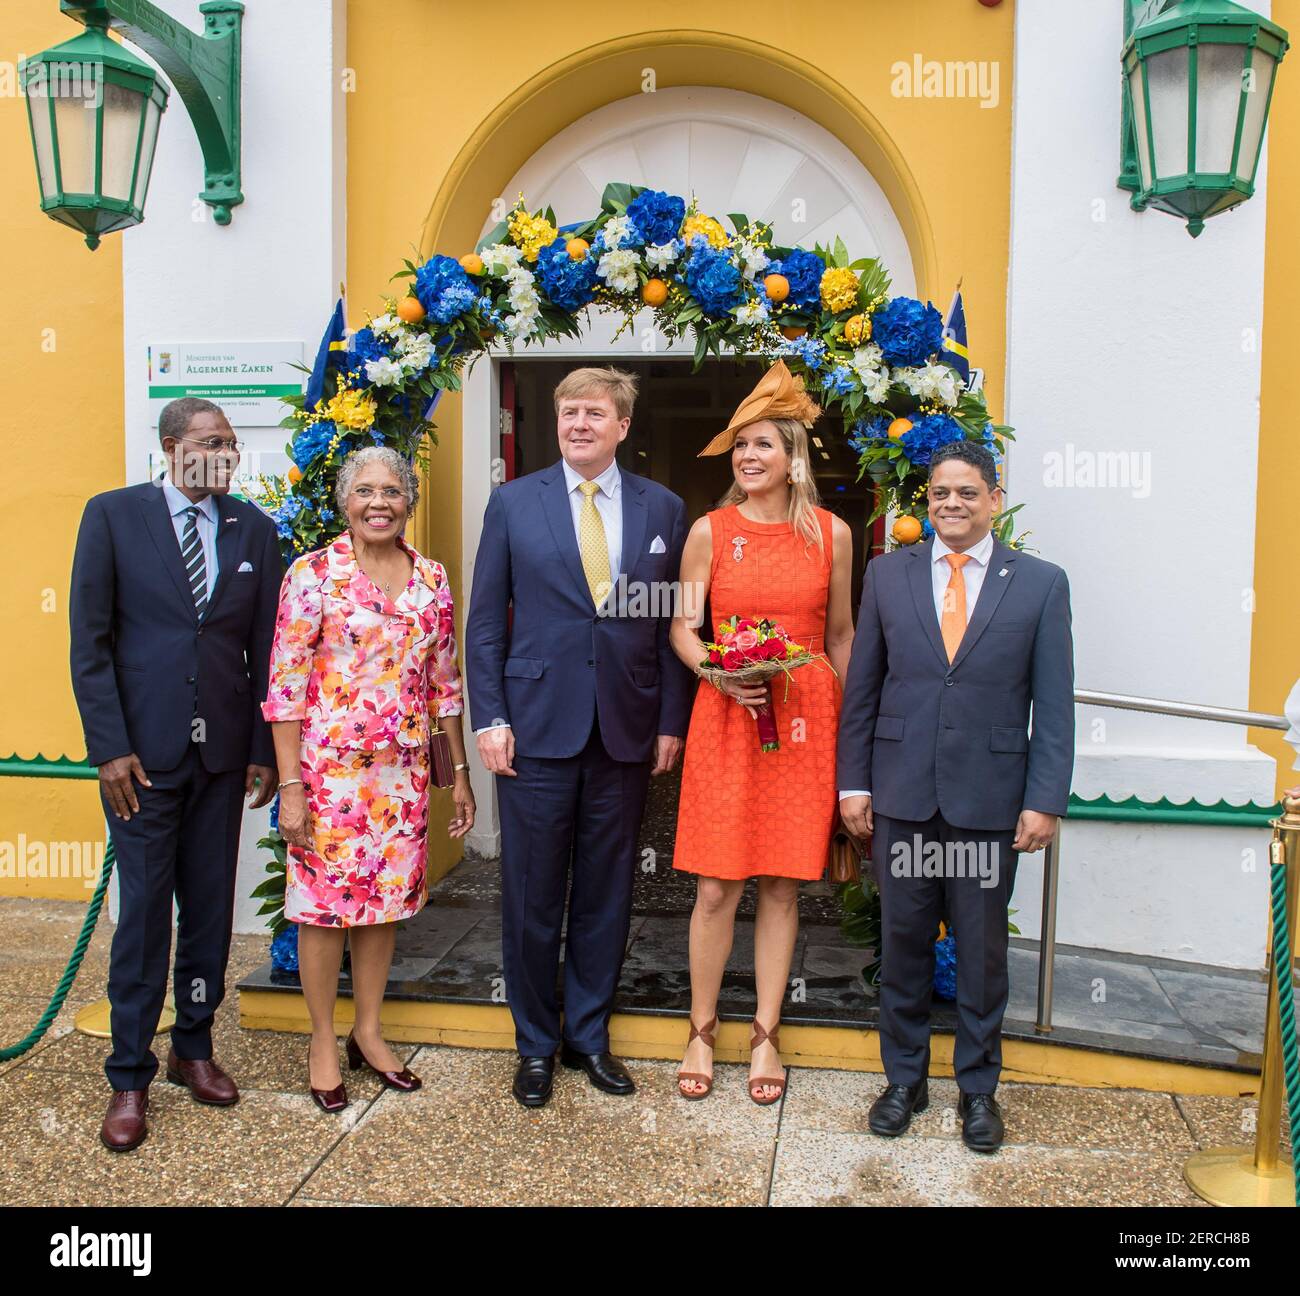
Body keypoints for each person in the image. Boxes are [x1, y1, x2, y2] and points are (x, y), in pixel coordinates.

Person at [837, 440, 1075, 1154]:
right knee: (903, 944)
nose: (952, 503)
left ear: (994, 499)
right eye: (940, 492)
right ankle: (903, 1081)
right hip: (903, 798)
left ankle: (979, 1090)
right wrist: (854, 781)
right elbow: (865, 690)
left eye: (967, 492)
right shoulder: (888, 575)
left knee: (980, 951)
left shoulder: (1039, 583)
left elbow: (1054, 705)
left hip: (988, 803)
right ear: (927, 501)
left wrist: (1045, 798)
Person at [465, 365, 693, 1108]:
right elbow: (485, 625)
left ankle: (588, 1036)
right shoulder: (512, 503)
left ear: (623, 425)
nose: (580, 424)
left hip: (623, 731)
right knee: (531, 894)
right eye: (569, 413)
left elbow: (666, 624)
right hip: (532, 730)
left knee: (607, 891)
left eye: (595, 413)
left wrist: (668, 722)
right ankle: (534, 1045)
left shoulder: (664, 508)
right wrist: (489, 719)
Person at [69, 397, 283, 1152]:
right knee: (144, 917)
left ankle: (194, 1046)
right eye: (208, 442)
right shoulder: (113, 517)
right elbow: (89, 643)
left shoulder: (253, 528)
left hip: (222, 759)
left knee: (210, 914)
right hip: (142, 763)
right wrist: (109, 748)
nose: (223, 453)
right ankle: (129, 1073)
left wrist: (261, 746)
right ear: (169, 447)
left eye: (231, 443)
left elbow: (267, 654)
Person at [262, 446, 474, 1111]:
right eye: (365, 491)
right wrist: (290, 787)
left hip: (402, 778)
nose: (379, 502)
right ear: (344, 501)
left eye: (392, 490)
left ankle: (370, 1031)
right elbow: (284, 688)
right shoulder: (312, 574)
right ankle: (323, 1038)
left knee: (385, 907)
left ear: (410, 499)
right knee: (325, 914)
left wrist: (459, 773)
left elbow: (444, 684)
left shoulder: (432, 578)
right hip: (328, 780)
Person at [670, 360, 854, 1104]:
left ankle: (767, 1033)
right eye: (740, 446)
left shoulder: (833, 535)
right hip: (727, 713)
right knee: (716, 885)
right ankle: (702, 1027)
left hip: (807, 722)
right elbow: (683, 626)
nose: (748, 457)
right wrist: (715, 668)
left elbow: (839, 636)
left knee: (781, 884)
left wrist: (853, 737)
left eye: (763, 446)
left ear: (792, 458)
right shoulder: (708, 532)